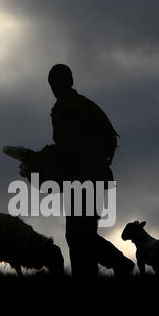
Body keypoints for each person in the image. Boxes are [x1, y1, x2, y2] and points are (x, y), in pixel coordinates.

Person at [45, 63, 134, 278]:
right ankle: (88, 277)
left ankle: (119, 263)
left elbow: (68, 148)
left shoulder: (65, 108)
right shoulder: (85, 105)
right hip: (94, 177)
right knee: (81, 234)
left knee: (78, 236)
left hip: (81, 179)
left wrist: (41, 158)